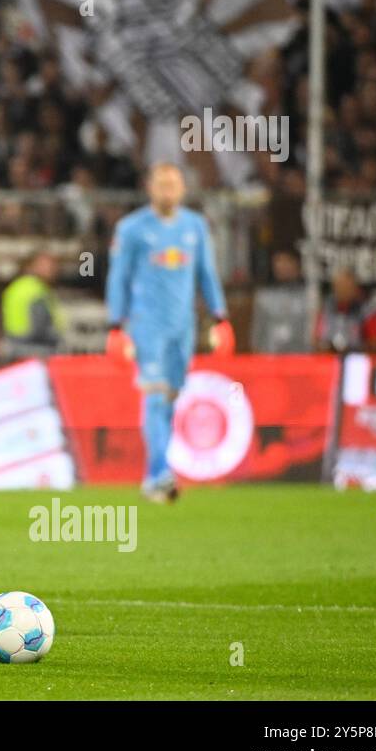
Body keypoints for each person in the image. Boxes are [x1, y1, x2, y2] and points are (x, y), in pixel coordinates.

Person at [104, 164, 231, 503]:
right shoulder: (131, 229)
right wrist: (116, 325)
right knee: (155, 395)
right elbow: (118, 277)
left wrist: (221, 317)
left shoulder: (195, 226)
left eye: (173, 184)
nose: (167, 191)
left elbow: (207, 273)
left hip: (183, 327)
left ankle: (152, 477)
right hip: (146, 325)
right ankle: (161, 475)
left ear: (183, 188)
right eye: (161, 184)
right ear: (149, 188)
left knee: (170, 401)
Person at [1, 250, 63, 358]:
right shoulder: (36, 290)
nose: (53, 270)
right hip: (34, 350)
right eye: (49, 266)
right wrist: (58, 337)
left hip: (14, 346)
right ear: (33, 266)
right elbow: (39, 329)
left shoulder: (16, 287)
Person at [314, 268, 376, 353]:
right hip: (329, 360)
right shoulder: (326, 308)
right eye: (339, 287)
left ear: (355, 288)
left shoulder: (367, 310)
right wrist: (326, 347)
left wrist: (352, 350)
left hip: (357, 360)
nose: (343, 291)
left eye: (347, 287)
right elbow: (316, 340)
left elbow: (375, 345)